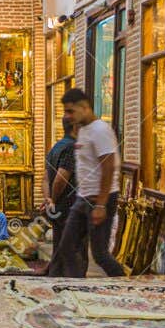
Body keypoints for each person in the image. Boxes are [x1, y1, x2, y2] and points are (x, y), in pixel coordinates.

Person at [58, 86, 123, 277]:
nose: (67, 116)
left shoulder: (100, 130)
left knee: (100, 254)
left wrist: (101, 205)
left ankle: (125, 285)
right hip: (83, 197)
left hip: (100, 198)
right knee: (67, 246)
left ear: (85, 107)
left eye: (70, 111)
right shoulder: (83, 130)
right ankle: (76, 286)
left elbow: (109, 166)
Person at [41, 112, 80, 276]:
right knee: (73, 253)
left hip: (58, 209)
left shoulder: (56, 147)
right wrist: (53, 200)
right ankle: (72, 287)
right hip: (69, 208)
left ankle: (55, 281)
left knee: (59, 248)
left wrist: (48, 199)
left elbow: (44, 179)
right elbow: (60, 179)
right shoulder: (72, 148)